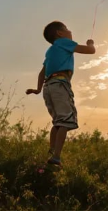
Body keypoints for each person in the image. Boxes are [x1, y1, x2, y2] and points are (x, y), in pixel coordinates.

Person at [25, 21, 98, 166]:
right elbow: (90, 51)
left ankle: (51, 153)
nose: (70, 31)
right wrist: (91, 44)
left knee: (57, 123)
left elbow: (42, 72)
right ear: (60, 33)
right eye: (67, 29)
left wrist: (38, 89)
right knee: (65, 120)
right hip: (60, 84)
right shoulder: (64, 42)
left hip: (48, 87)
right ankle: (56, 158)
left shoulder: (50, 51)